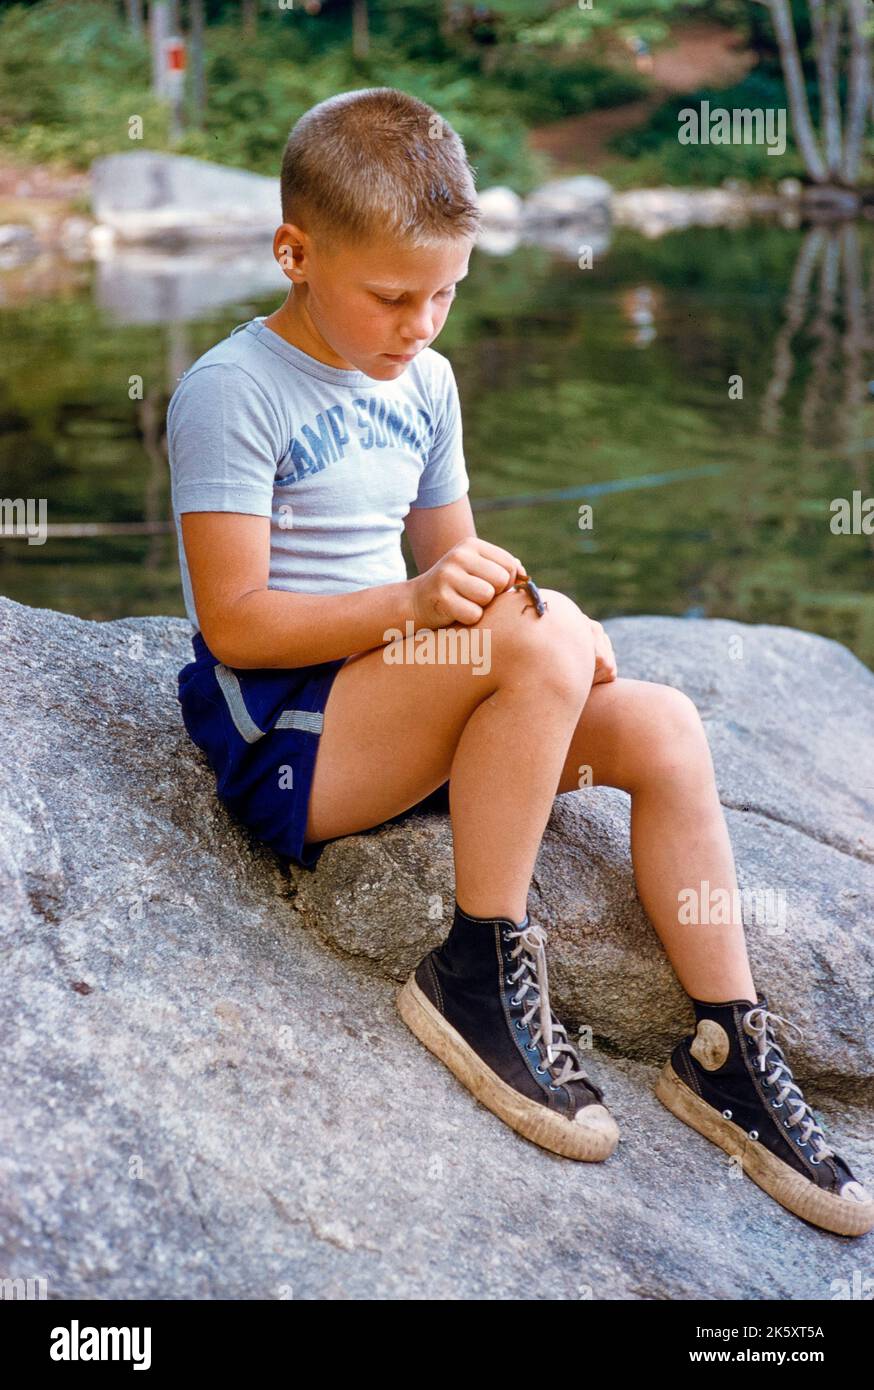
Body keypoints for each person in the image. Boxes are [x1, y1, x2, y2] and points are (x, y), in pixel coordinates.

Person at [168, 87, 873, 1238]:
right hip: (294, 740)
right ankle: (475, 971)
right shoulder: (229, 394)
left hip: (404, 704)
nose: (422, 325)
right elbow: (236, 623)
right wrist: (429, 611)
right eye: (394, 296)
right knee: (532, 643)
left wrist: (547, 616)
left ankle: (725, 1048)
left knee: (661, 725)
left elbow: (460, 563)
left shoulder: (427, 382)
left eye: (446, 293)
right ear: (294, 252)